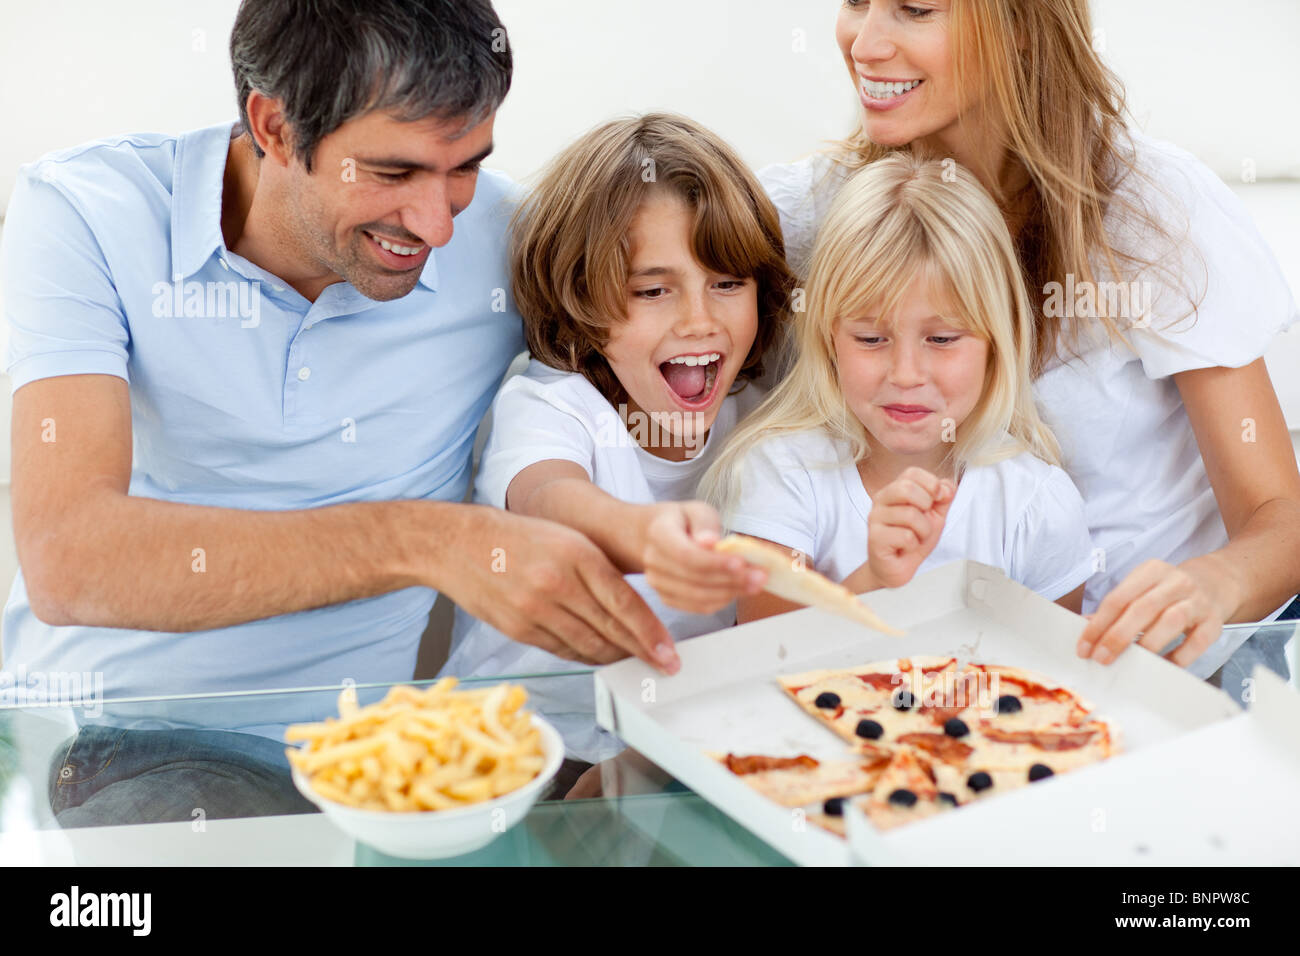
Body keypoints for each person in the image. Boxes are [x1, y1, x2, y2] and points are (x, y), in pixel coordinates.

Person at [2, 0, 675, 827]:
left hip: (375, 770)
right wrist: (429, 543)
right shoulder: (87, 214)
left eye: (464, 166)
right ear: (274, 126)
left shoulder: (511, 237)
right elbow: (71, 560)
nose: (436, 223)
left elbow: (730, 256)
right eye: (392, 173)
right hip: (112, 742)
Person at [755, 0, 1300, 689]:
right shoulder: (824, 212)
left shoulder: (1155, 215)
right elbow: (600, 316)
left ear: (1019, 26)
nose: (862, 44)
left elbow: (1279, 517)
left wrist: (1214, 585)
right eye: (856, 2)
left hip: (1166, 680)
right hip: (930, 696)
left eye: (915, 9)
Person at [442, 114, 793, 761]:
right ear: (581, 300)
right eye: (654, 290)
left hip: (669, 752)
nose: (699, 320)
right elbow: (548, 493)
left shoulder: (764, 417)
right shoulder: (553, 405)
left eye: (727, 283)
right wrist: (643, 536)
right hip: (513, 745)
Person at [702, 153, 1092, 622]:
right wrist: (874, 581)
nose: (906, 374)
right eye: (871, 339)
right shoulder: (782, 473)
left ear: (996, 340)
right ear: (830, 338)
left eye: (942, 339)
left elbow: (1055, 681)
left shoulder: (1038, 505)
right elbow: (767, 662)